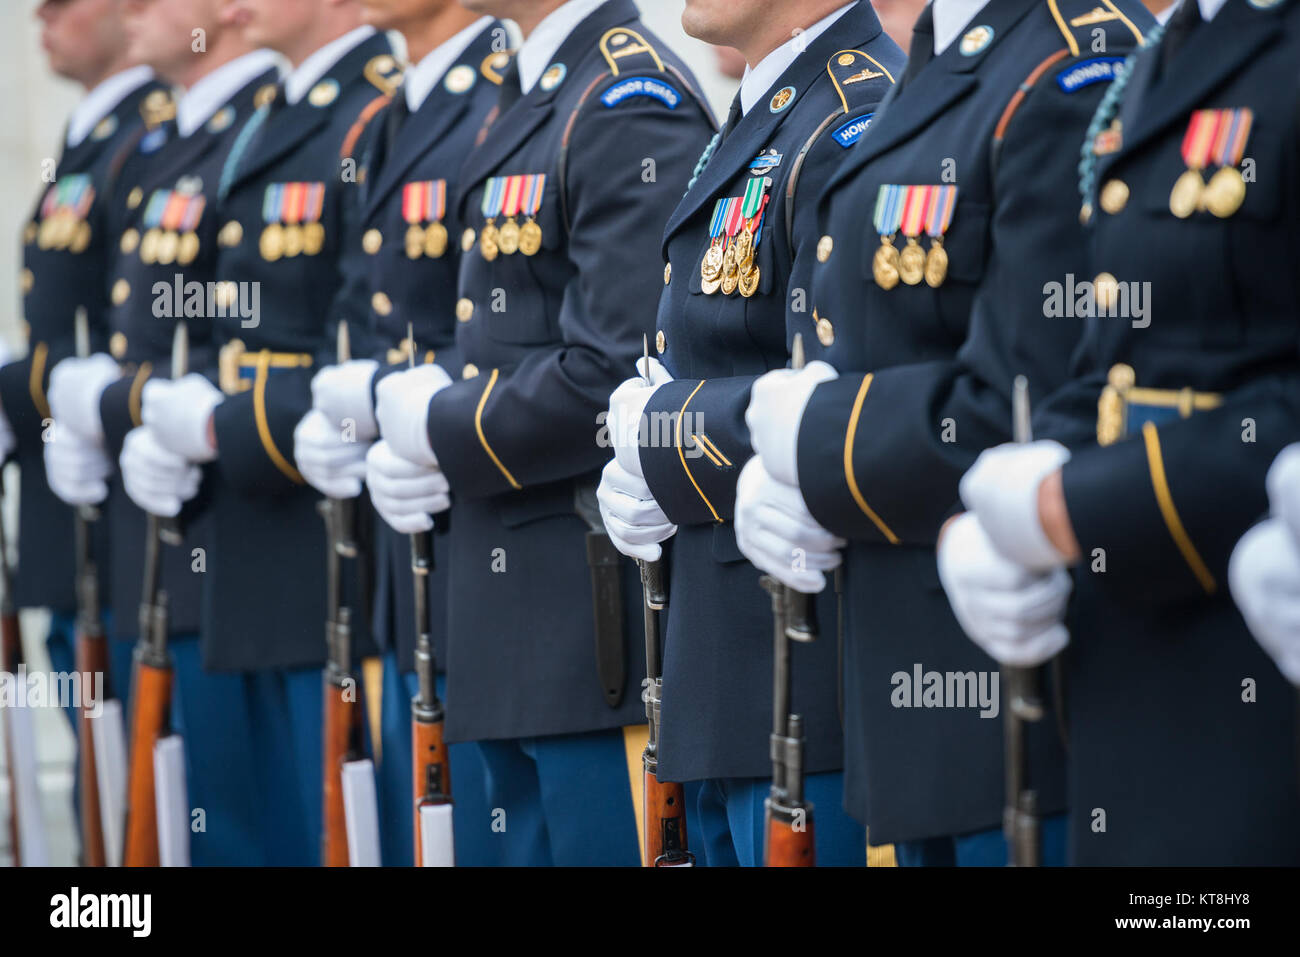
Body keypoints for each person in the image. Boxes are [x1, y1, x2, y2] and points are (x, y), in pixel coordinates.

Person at [735, 0, 1151, 865]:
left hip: (1026, 710)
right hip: (910, 702)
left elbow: (1036, 409)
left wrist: (818, 439)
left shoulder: (1073, 64)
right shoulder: (941, 53)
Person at [938, 0, 1300, 864]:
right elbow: (1119, 347)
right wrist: (1023, 480)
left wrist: (1073, 503)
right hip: (1134, 673)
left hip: (1259, 687)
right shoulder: (1177, 45)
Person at [365, 0, 715, 865]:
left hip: (588, 631)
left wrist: (441, 422)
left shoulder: (627, 96)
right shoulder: (534, 88)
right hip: (509, 620)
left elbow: (619, 371)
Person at [595, 0, 903, 866]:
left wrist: (664, 433)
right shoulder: (775, 103)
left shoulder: (853, 112)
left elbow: (834, 396)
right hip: (718, 662)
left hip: (809, 667)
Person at [118, 0, 396, 865]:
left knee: (334, 822)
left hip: (332, 522)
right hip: (251, 511)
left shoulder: (372, 109)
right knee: (258, 826)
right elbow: (229, 305)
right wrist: (168, 399)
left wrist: (218, 418)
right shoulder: (276, 112)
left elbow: (372, 329)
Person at [44, 0, 281, 866]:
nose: (135, 8)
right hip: (146, 519)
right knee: (162, 818)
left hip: (232, 522)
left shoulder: (254, 131)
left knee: (238, 818)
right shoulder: (158, 143)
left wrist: (129, 407)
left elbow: (253, 328)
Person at [294, 0, 506, 866]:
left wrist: (395, 396)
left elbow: (518, 322)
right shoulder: (388, 114)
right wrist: (341, 400)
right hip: (400, 521)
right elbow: (363, 308)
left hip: (482, 505)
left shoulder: (499, 93)